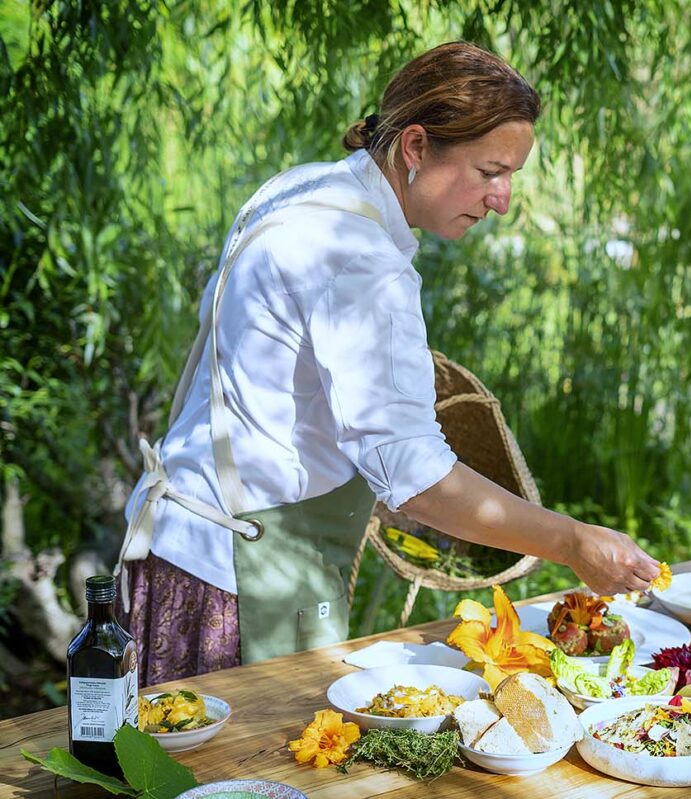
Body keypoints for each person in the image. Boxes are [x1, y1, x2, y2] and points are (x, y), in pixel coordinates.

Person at [115, 42, 660, 685]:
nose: (503, 199)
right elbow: (419, 480)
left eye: (511, 174)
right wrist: (571, 543)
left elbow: (269, 386)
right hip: (233, 580)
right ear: (415, 147)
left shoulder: (304, 188)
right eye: (489, 171)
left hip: (175, 550)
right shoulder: (361, 260)